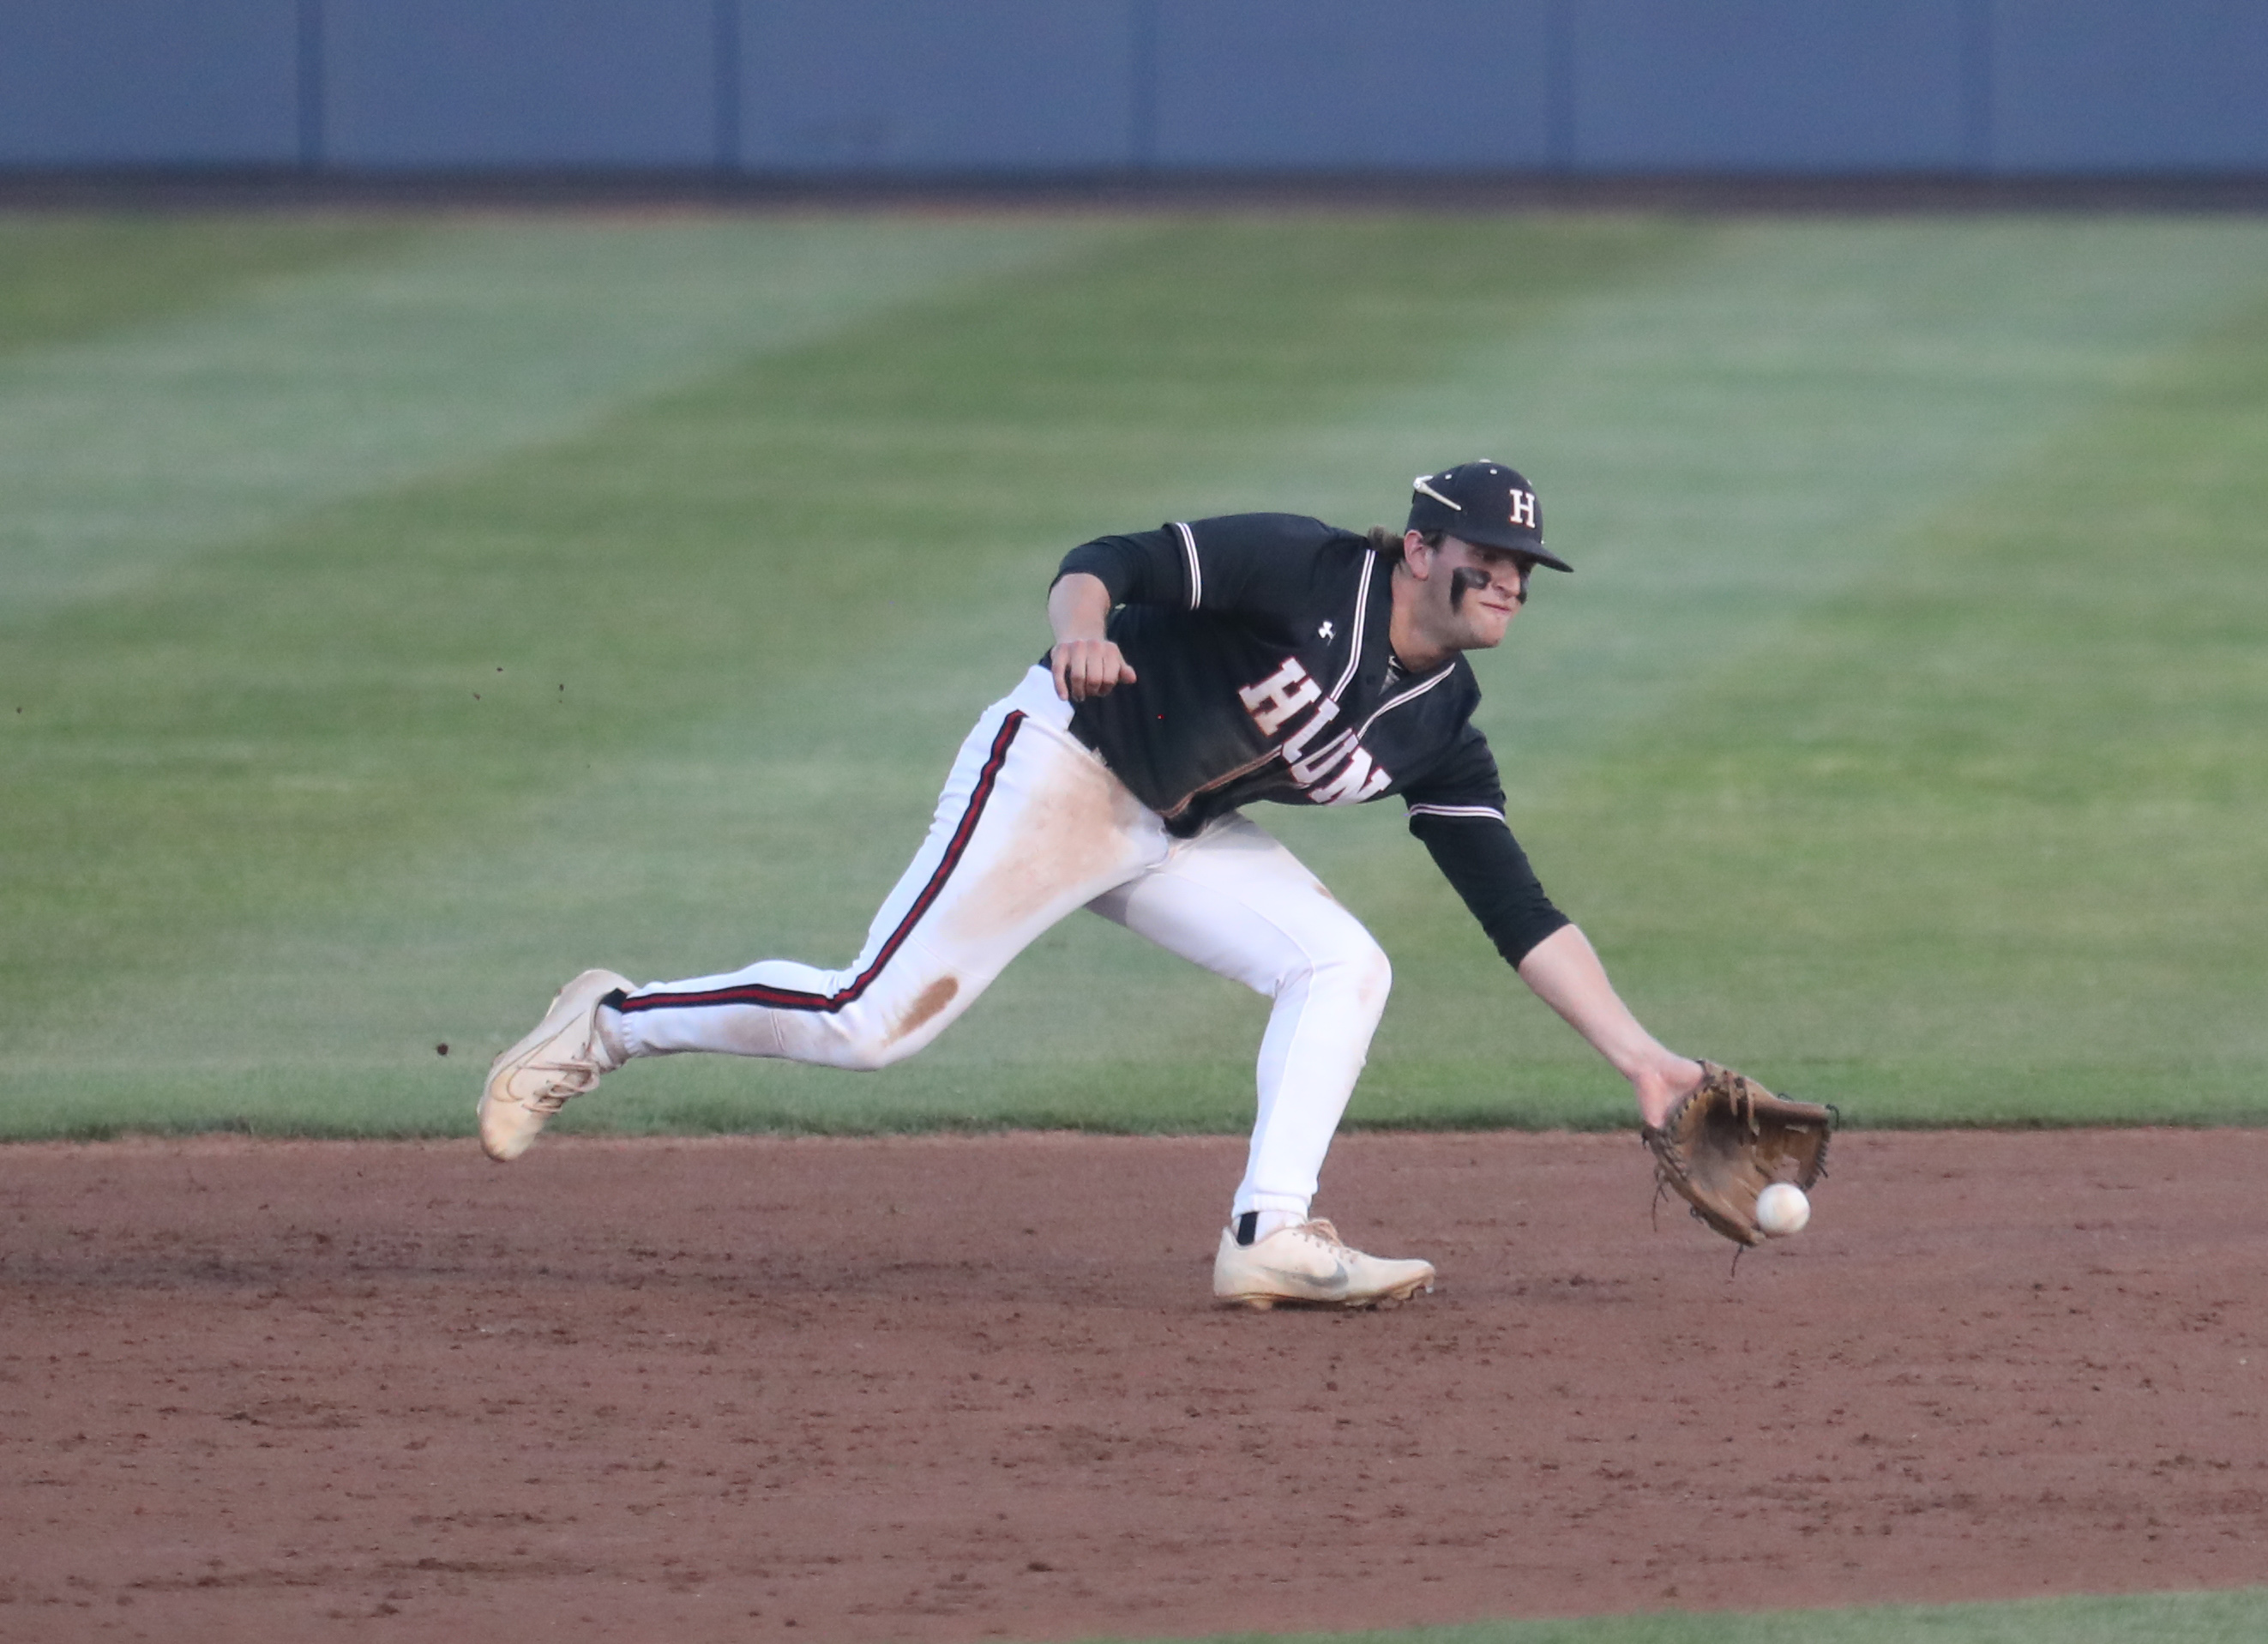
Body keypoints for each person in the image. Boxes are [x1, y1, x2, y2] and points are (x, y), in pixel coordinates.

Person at [480, 462, 1705, 1309]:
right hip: (1062, 766)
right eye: (1487, 556)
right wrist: (1081, 628)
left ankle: (1266, 1235)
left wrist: (1640, 1056)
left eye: (1524, 566)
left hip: (1169, 829)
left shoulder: (1445, 719)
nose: (1508, 580)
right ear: (1422, 544)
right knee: (867, 1023)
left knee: (1344, 962)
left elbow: (1515, 908)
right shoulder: (1305, 567)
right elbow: (1106, 560)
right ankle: (611, 1021)